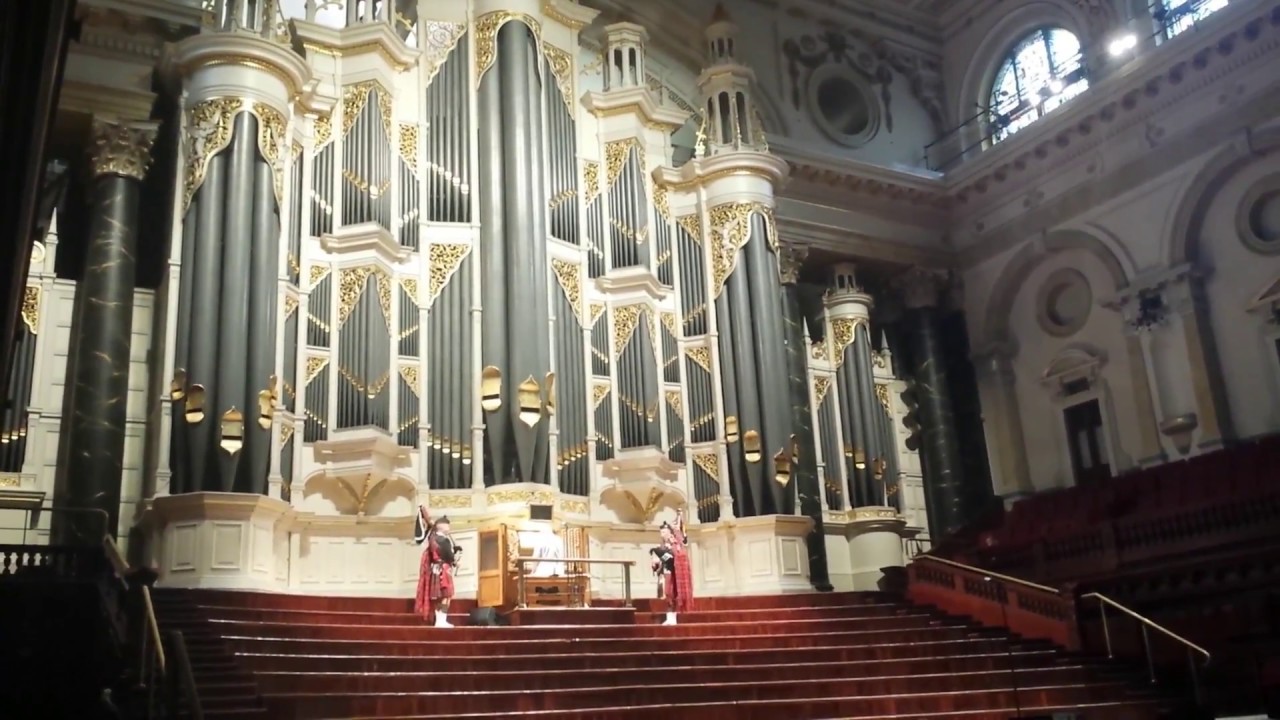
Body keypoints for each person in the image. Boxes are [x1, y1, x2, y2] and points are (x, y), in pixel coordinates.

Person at [414, 505, 462, 628]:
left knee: (441, 597)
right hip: (443, 569)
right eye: (447, 525)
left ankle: (440, 621)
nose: (449, 527)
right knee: (446, 596)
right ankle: (441, 621)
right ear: (443, 526)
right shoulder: (443, 540)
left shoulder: (433, 537)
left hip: (436, 569)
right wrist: (455, 558)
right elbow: (448, 556)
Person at [648, 507, 692, 625]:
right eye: (661, 532)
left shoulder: (675, 545)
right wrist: (655, 563)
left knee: (673, 595)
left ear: (669, 532)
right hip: (665, 572)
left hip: (674, 573)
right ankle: (670, 617)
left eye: (664, 532)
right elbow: (657, 563)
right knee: (667, 595)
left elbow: (679, 555)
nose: (662, 534)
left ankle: (673, 618)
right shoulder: (661, 546)